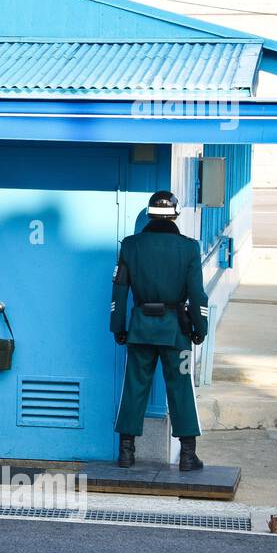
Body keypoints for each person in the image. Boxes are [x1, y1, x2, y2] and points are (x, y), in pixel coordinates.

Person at [109, 191, 209, 471]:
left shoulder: (130, 246)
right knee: (181, 389)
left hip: (140, 327)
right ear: (175, 215)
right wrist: (200, 329)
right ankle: (188, 455)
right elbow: (197, 295)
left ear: (150, 214)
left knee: (134, 387)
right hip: (175, 331)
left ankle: (126, 452)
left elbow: (119, 290)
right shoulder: (189, 248)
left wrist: (119, 326)